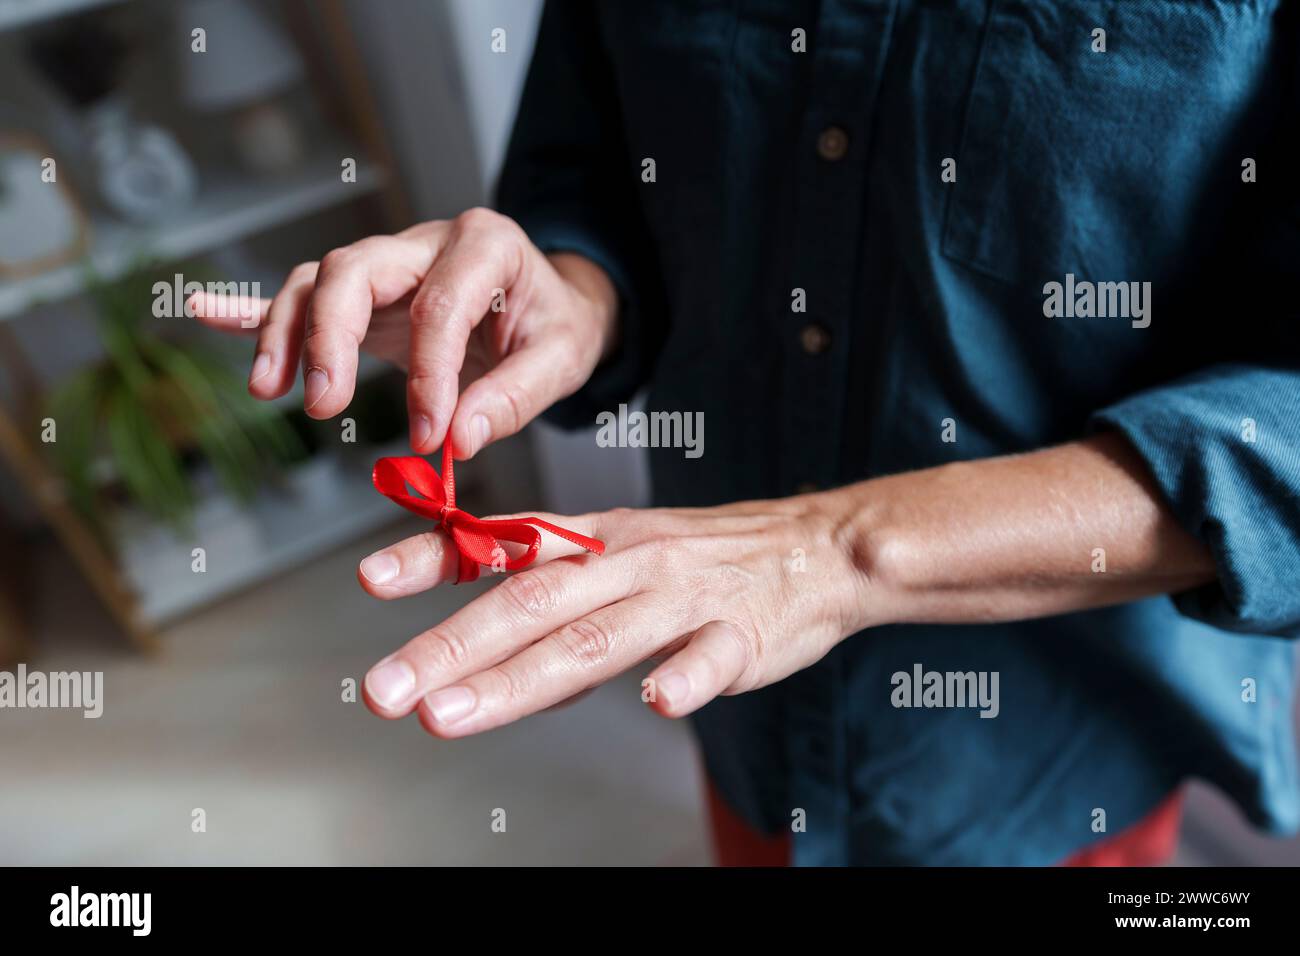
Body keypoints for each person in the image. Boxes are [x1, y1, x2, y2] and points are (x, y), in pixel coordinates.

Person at [193, 0, 1299, 866]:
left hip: (1043, 762)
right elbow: (594, 182)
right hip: (738, 705)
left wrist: (834, 549)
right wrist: (564, 298)